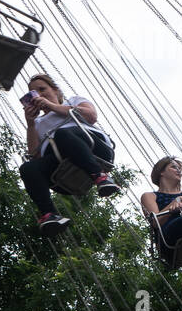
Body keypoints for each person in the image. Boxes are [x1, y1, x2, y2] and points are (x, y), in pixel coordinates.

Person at [20, 72, 119, 235]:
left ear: (55, 90)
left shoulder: (73, 101)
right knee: (28, 168)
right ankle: (49, 214)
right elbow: (35, 155)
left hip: (92, 145)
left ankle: (100, 176)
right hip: (59, 159)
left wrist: (51, 106)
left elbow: (91, 116)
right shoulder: (37, 123)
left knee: (61, 134)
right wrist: (30, 124)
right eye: (35, 94)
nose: (40, 95)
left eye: (43, 89)